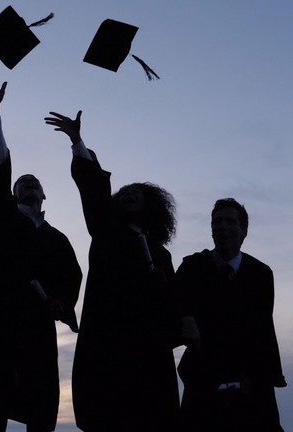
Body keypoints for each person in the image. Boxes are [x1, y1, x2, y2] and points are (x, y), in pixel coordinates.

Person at [44, 110, 182, 432]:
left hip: (150, 350)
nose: (130, 194)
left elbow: (173, 302)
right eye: (125, 192)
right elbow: (94, 191)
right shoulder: (108, 233)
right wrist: (77, 141)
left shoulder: (161, 254)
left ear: (151, 204)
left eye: (137, 192)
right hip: (112, 344)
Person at [0, 74, 82, 432]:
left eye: (35, 183)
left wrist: (62, 303)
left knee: (41, 407)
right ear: (13, 193)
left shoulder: (57, 239)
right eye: (22, 182)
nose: (29, 184)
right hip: (3, 320)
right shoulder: (3, 216)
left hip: (39, 326)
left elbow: (72, 275)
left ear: (44, 194)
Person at [175, 198, 287, 431]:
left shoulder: (261, 274)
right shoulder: (192, 267)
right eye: (217, 222)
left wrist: (252, 373)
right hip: (204, 376)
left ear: (244, 230)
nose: (222, 227)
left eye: (230, 221)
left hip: (251, 377)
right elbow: (174, 302)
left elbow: (262, 328)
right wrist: (186, 318)